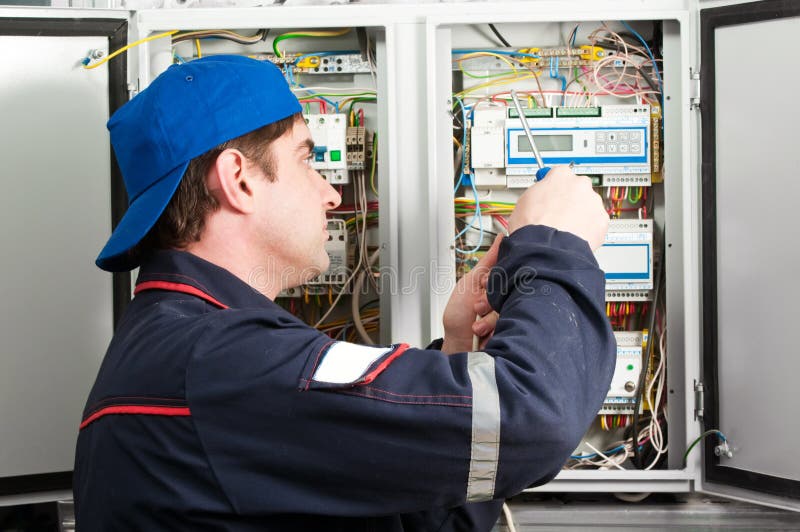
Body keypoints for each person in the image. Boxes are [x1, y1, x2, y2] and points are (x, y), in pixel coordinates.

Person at [74, 55, 615, 531]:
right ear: (238, 179)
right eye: (306, 159)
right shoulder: (222, 359)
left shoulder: (185, 347)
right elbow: (534, 418)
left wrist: (459, 347)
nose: (331, 194)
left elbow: (413, 519)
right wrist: (554, 243)